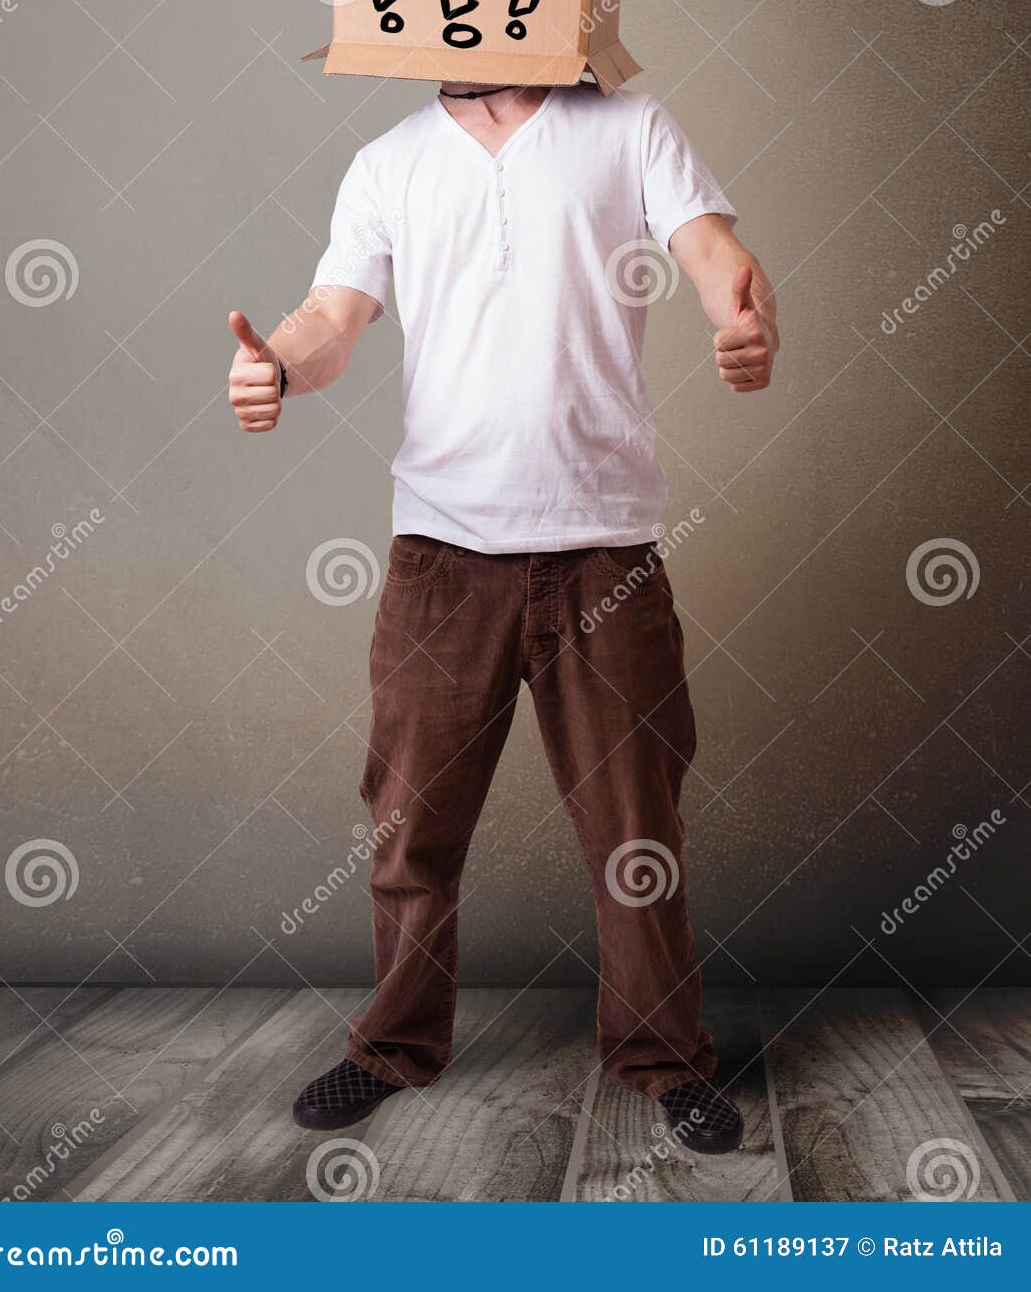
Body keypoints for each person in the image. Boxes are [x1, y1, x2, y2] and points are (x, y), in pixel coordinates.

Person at [227, 79, 778, 1154]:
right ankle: (392, 1045)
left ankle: (666, 1057)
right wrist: (278, 365)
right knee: (409, 826)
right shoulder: (390, 159)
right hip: (442, 554)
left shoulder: (630, 125)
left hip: (603, 551)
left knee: (637, 830)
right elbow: (335, 314)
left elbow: (712, 251)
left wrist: (745, 320)